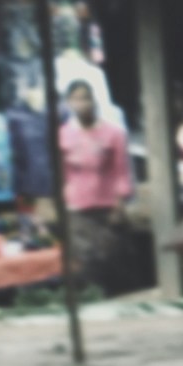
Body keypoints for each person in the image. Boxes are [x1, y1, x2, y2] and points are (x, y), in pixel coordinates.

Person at [55, 79, 132, 291]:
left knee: (109, 258)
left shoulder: (114, 133)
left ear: (94, 101)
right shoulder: (63, 135)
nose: (82, 104)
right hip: (77, 208)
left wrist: (120, 201)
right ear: (69, 103)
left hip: (107, 207)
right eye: (76, 99)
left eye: (85, 98)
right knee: (84, 262)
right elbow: (59, 171)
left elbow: (122, 170)